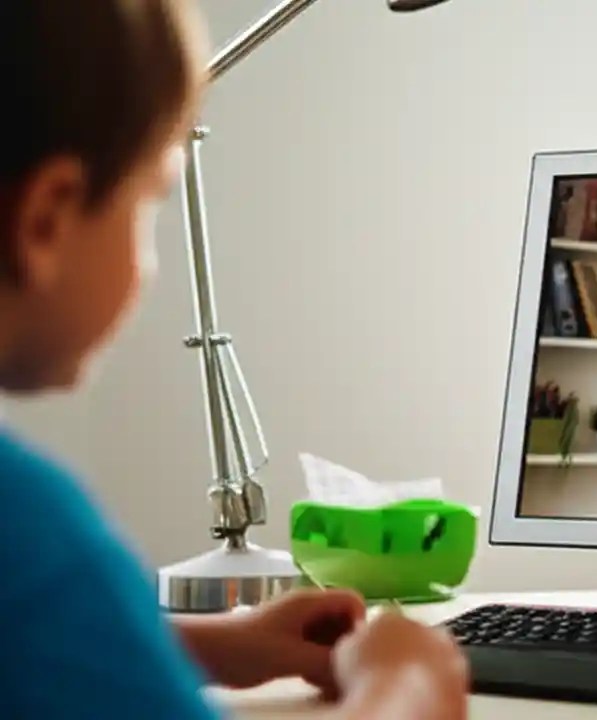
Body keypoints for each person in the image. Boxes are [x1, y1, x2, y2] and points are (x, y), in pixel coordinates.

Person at [0, 2, 467, 718]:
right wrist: (408, 685)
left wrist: (217, 644)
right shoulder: (36, 535)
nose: (150, 266)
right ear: (46, 221)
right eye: (150, 198)